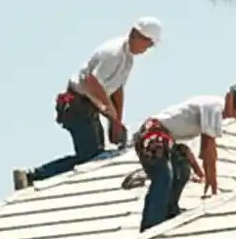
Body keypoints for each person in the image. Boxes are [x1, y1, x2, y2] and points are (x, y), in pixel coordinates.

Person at [13, 17, 161, 190]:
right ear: (136, 35)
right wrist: (110, 115)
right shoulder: (114, 53)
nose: (147, 49)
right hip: (77, 104)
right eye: (148, 44)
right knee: (90, 157)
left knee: (96, 155)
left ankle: (38, 176)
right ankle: (34, 175)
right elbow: (92, 82)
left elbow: (117, 88)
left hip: (88, 106)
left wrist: (117, 121)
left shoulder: (127, 58)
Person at [131, 85, 236, 232]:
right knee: (164, 176)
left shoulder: (214, 111)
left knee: (182, 168)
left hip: (165, 137)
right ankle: (151, 223)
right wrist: (212, 186)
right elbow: (209, 149)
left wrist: (200, 173)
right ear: (231, 101)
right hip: (153, 133)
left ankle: (170, 210)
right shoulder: (215, 108)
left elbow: (198, 149)